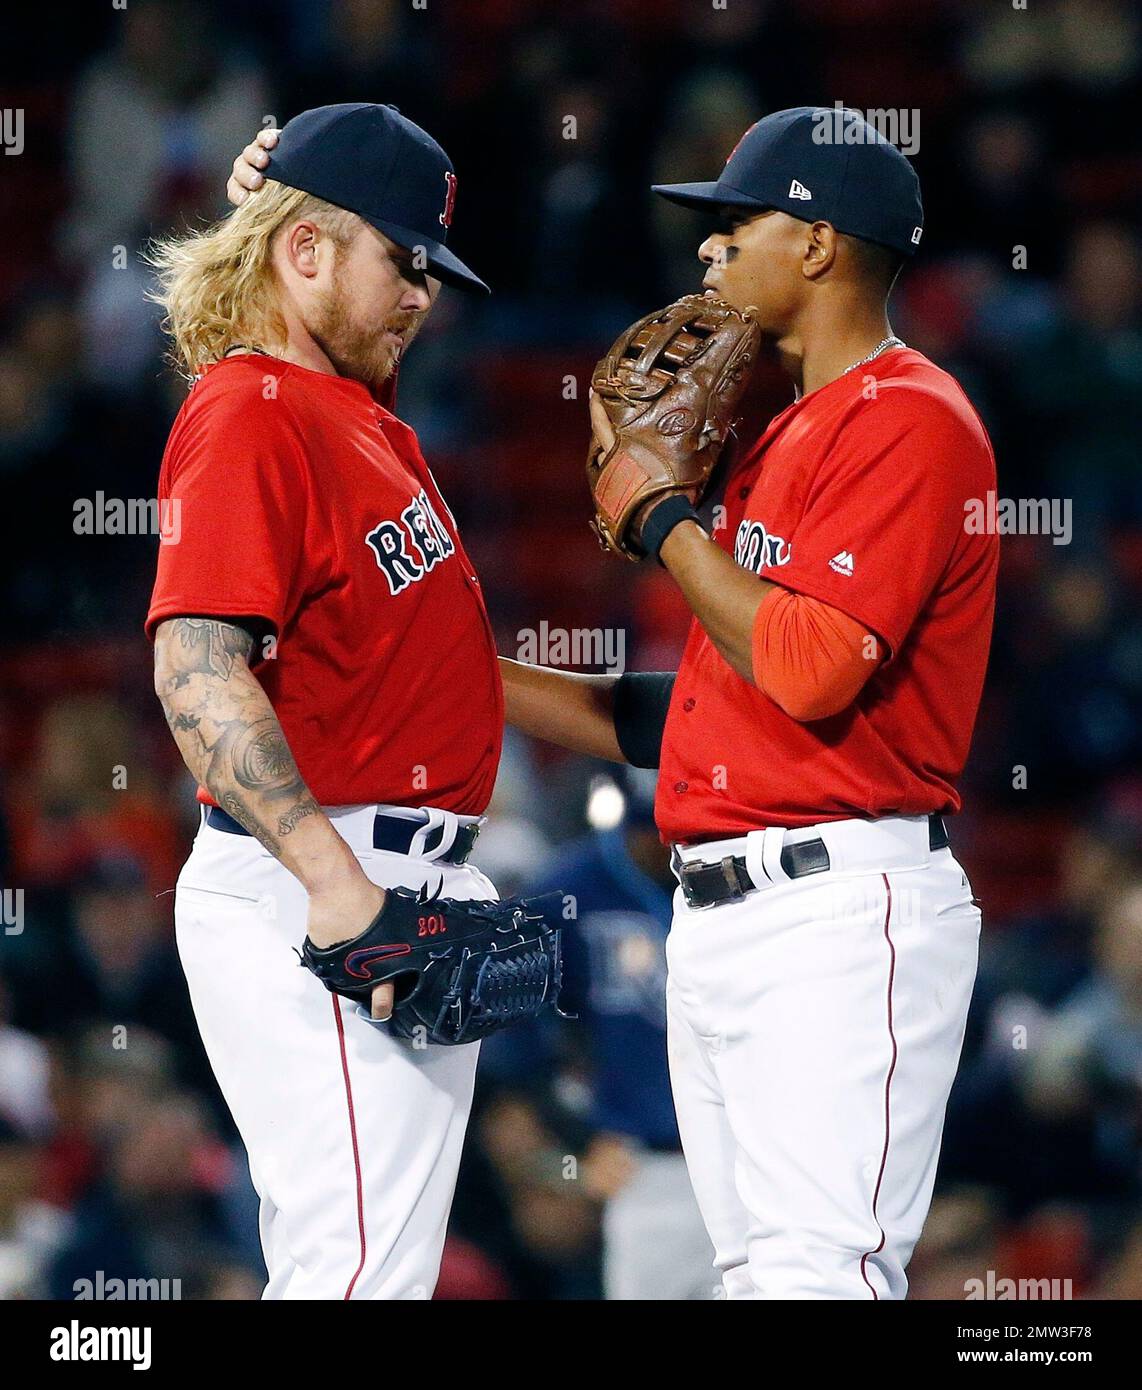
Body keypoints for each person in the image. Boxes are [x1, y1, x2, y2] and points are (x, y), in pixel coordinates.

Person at [228, 105, 998, 1300]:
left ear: (814, 242)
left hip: (840, 907)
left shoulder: (908, 416)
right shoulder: (782, 430)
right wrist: (443, 662)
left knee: (818, 1272)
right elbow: (691, 710)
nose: (704, 250)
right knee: (758, 1275)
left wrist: (656, 517)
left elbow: (807, 666)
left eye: (731, 223)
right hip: (733, 910)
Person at [147, 103, 501, 1300]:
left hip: (371, 871)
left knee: (365, 1268)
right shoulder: (253, 412)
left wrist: (632, 713)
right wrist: (339, 888)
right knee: (354, 1272)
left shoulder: (351, 413)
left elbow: (408, 659)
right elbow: (195, 669)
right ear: (305, 253)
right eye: (403, 262)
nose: (423, 296)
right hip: (323, 879)